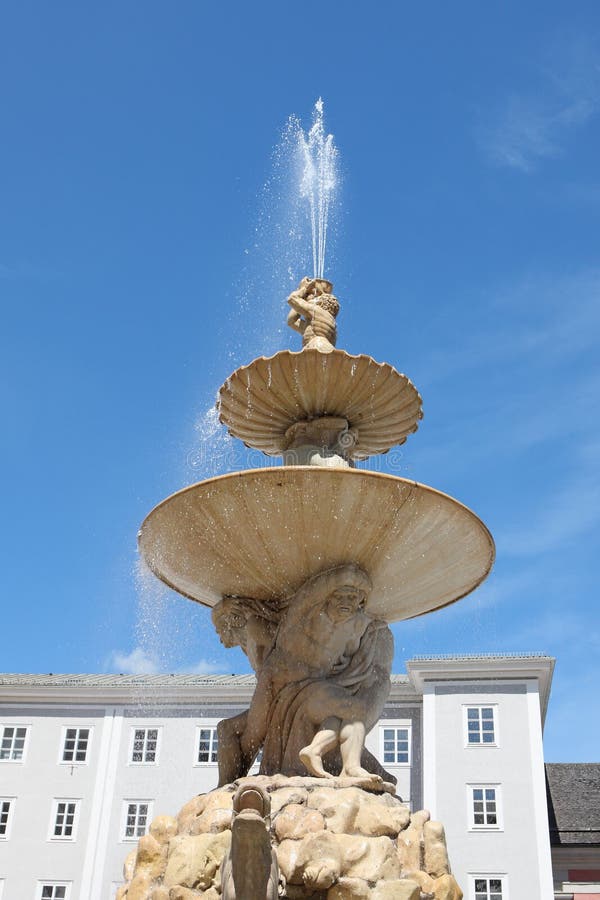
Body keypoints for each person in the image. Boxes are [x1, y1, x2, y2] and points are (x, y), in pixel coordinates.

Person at [287, 277, 340, 352]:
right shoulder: (317, 323)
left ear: (321, 301)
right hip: (322, 349)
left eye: (314, 297)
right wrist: (303, 298)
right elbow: (291, 322)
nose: (312, 298)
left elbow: (292, 299)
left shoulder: (317, 311)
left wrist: (304, 289)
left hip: (317, 346)